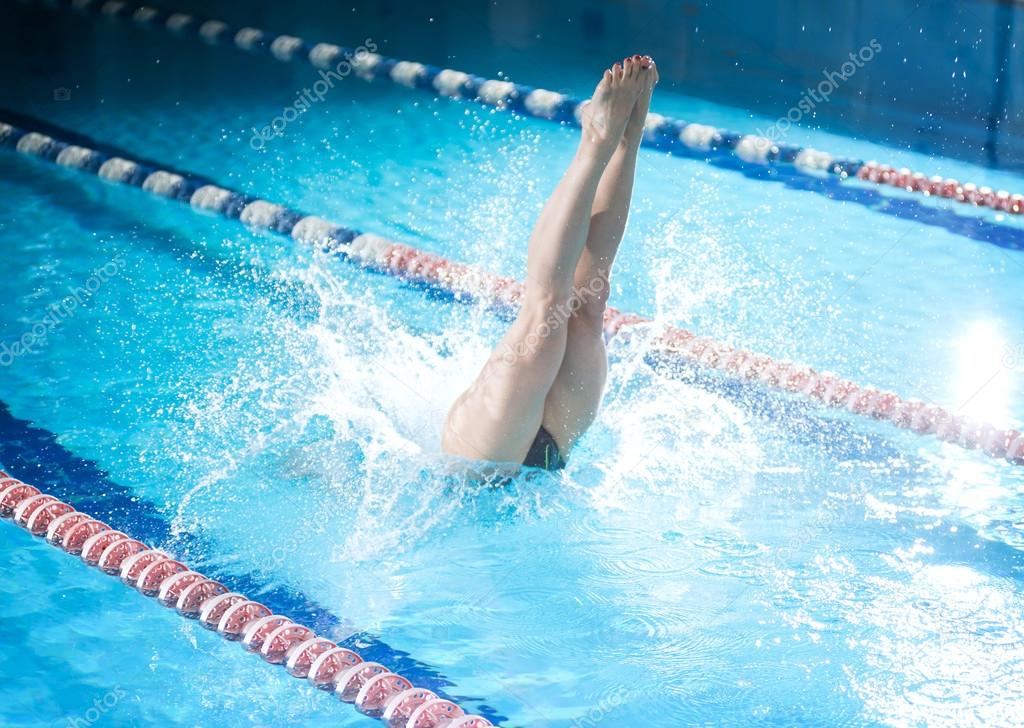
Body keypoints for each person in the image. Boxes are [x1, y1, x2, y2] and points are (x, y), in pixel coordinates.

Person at [443, 55, 658, 470]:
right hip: (515, 459)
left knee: (572, 306)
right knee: (567, 308)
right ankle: (615, 137)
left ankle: (616, 139)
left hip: (492, 455)